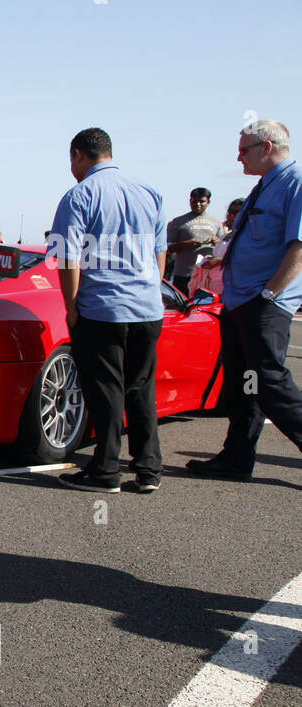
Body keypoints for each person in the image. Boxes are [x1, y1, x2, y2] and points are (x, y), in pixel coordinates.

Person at [50, 127, 166, 494]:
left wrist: (71, 307)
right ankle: (149, 469)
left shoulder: (79, 195)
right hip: (148, 308)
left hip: (103, 308)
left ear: (78, 155)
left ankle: (105, 470)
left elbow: (68, 257)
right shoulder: (150, 193)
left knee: (106, 389)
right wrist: (149, 288)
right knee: (141, 388)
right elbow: (160, 251)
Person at [186, 119, 302, 480]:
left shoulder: (294, 182)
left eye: (243, 150)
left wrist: (270, 293)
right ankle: (236, 459)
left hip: (263, 303)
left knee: (268, 382)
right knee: (242, 384)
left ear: (267, 147)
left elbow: (299, 244)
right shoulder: (264, 186)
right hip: (240, 301)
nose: (238, 159)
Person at [166, 187, 220, 294]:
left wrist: (217, 241)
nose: (198, 204)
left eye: (202, 201)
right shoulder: (178, 222)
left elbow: (224, 249)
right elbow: (165, 248)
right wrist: (184, 245)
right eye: (194, 201)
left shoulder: (216, 223)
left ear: (208, 202)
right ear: (190, 201)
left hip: (207, 277)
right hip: (184, 275)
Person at [188, 197, 244, 297]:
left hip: (233, 287)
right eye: (229, 211)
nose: (231, 215)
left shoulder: (250, 236)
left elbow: (248, 258)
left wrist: (220, 260)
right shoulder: (226, 235)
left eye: (236, 212)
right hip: (214, 286)